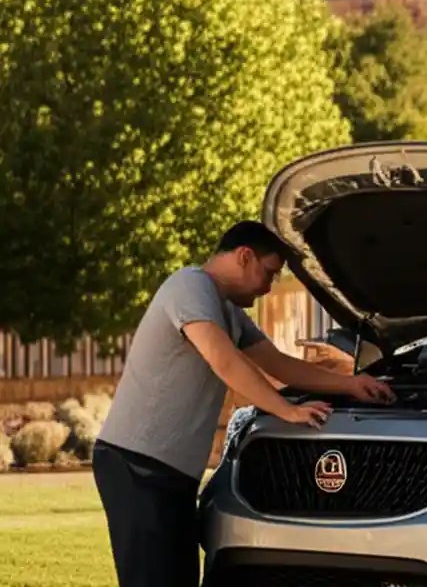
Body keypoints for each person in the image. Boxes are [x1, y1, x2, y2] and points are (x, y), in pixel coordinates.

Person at [92, 220, 395, 587]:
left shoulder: (229, 312)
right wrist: (286, 410)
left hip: (172, 474)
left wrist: (351, 384)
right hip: (136, 465)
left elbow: (280, 364)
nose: (269, 287)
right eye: (269, 273)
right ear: (244, 256)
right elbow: (225, 361)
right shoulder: (189, 286)